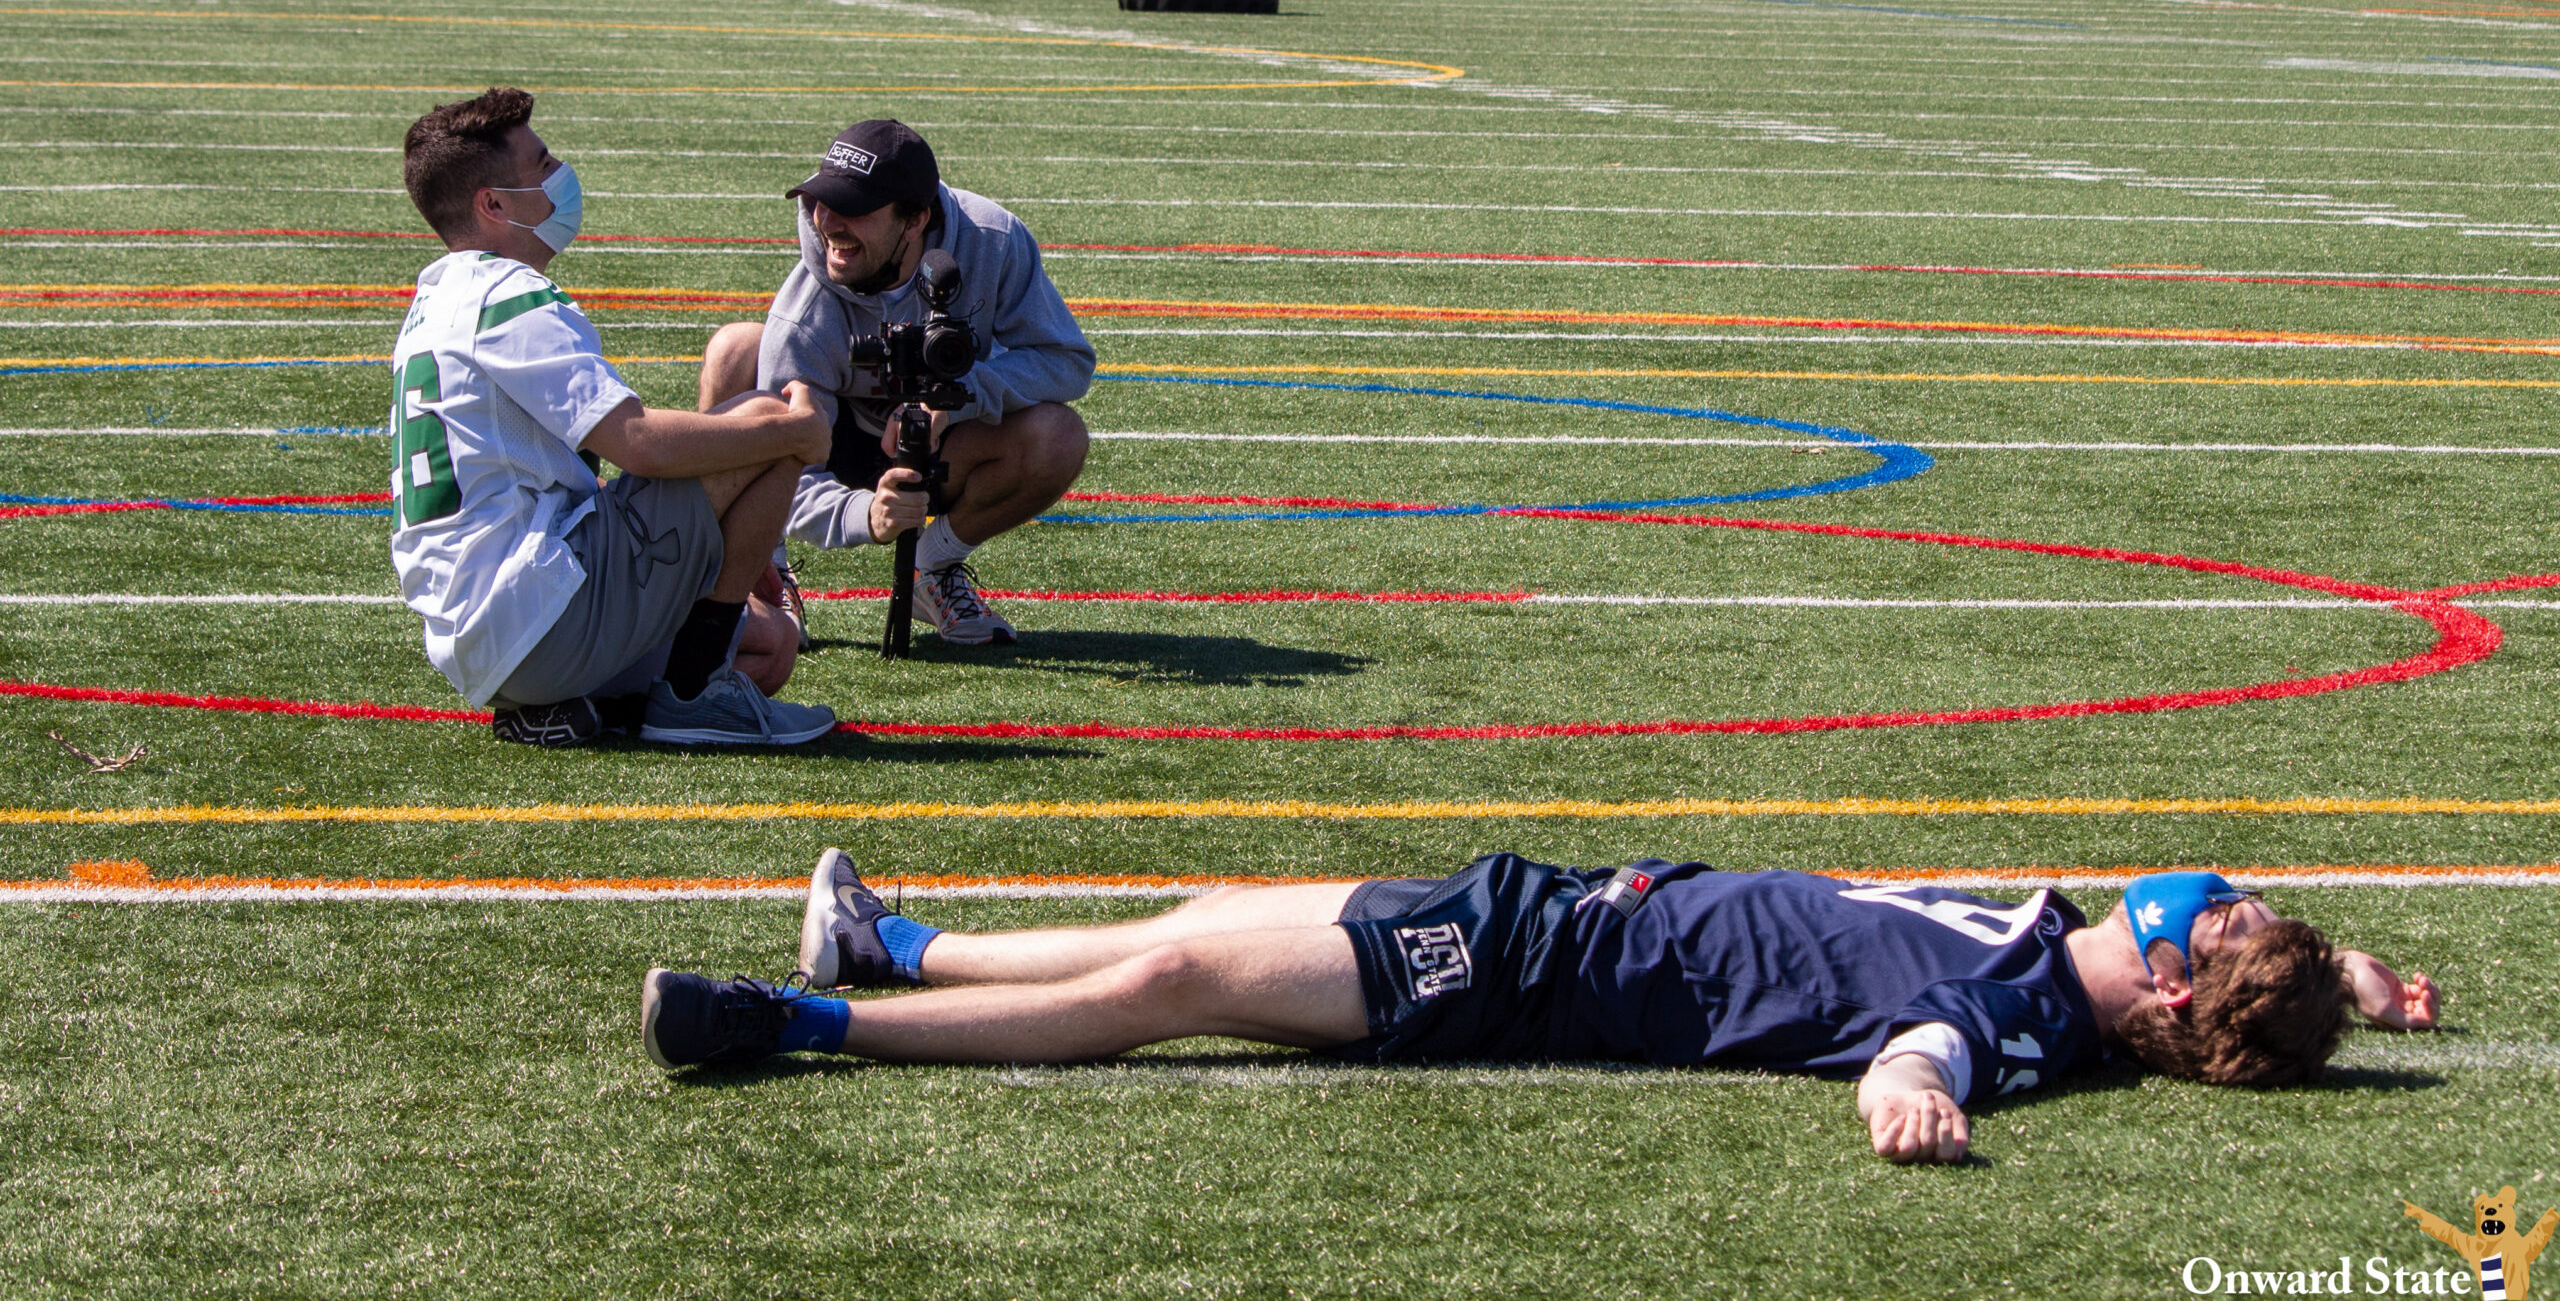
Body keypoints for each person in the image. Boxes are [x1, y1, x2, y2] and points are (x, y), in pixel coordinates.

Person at [640, 852, 2439, 1163]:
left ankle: (794, 1025)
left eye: (2198, 919)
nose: (2189, 895)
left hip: (1534, 971)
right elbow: (2249, 950)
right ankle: (898, 947)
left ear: (2177, 995)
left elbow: (1923, 1049)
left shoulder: (2017, 1017)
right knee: (1204, 922)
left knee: (1178, 986)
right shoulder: (2081, 955)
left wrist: (1908, 1094)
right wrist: (2347, 973)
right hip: (1559, 903)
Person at [389, 87, 840, 748]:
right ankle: (694, 696)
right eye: (541, 164)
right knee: (765, 420)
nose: (560, 173)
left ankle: (578, 708)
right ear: (492, 204)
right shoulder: (507, 293)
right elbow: (639, 445)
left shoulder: (435, 299)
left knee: (769, 648)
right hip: (540, 611)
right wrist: (792, 432)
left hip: (488, 641)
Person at [697, 118, 1094, 648]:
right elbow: (788, 479)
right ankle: (760, 568)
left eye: (854, 208)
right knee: (736, 349)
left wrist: (961, 397)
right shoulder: (806, 313)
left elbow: (1066, 361)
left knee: (1058, 436)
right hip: (833, 435)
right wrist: (867, 515)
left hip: (947, 438)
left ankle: (936, 564)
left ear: (915, 220)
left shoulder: (992, 239)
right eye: (821, 201)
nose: (828, 223)